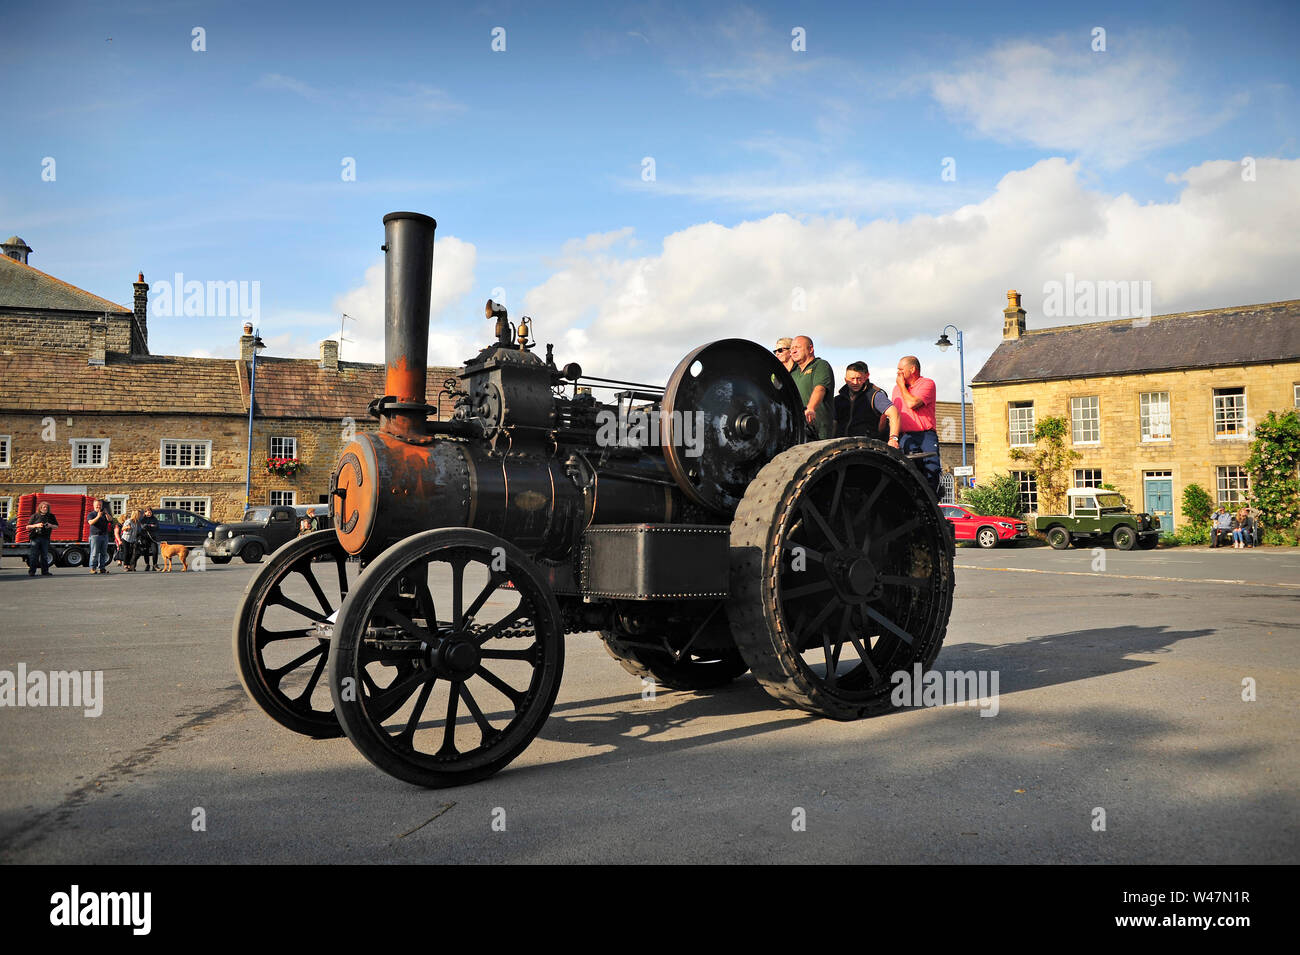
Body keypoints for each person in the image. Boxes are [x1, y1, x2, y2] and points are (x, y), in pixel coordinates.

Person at [892, 355, 941, 494]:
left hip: (925, 434)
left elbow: (912, 403)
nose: (898, 373)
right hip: (905, 435)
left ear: (912, 369)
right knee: (907, 468)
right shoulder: (896, 389)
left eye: (901, 370)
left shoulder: (927, 384)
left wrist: (902, 386)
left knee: (931, 468)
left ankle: (932, 499)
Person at [834, 361, 901, 448]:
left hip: (867, 447)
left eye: (859, 379)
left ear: (865, 378)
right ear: (846, 380)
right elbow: (833, 423)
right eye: (852, 379)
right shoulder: (838, 399)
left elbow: (894, 412)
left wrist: (893, 439)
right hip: (842, 446)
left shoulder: (875, 395)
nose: (855, 382)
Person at [788, 335, 835, 441]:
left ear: (810, 349)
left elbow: (820, 389)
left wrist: (811, 408)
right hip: (799, 430)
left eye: (798, 347)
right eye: (792, 349)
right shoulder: (793, 373)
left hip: (818, 430)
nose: (793, 351)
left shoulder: (820, 365)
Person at [26, 501, 59, 576]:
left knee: (44, 555)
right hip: (35, 537)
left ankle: (45, 571)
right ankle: (32, 572)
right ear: (40, 508)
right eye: (43, 507)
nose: (45, 509)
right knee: (34, 555)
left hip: (45, 538)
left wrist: (50, 525)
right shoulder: (35, 516)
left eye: (46, 507)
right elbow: (27, 527)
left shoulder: (51, 516)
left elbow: (56, 526)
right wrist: (36, 525)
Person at [87, 499, 112, 574]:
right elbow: (90, 522)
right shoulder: (91, 514)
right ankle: (93, 568)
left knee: (103, 553)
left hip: (104, 535)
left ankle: (102, 568)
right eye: (97, 505)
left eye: (100, 505)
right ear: (94, 505)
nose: (98, 506)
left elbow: (110, 520)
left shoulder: (104, 513)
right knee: (94, 553)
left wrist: (107, 513)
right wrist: (98, 516)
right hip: (95, 536)